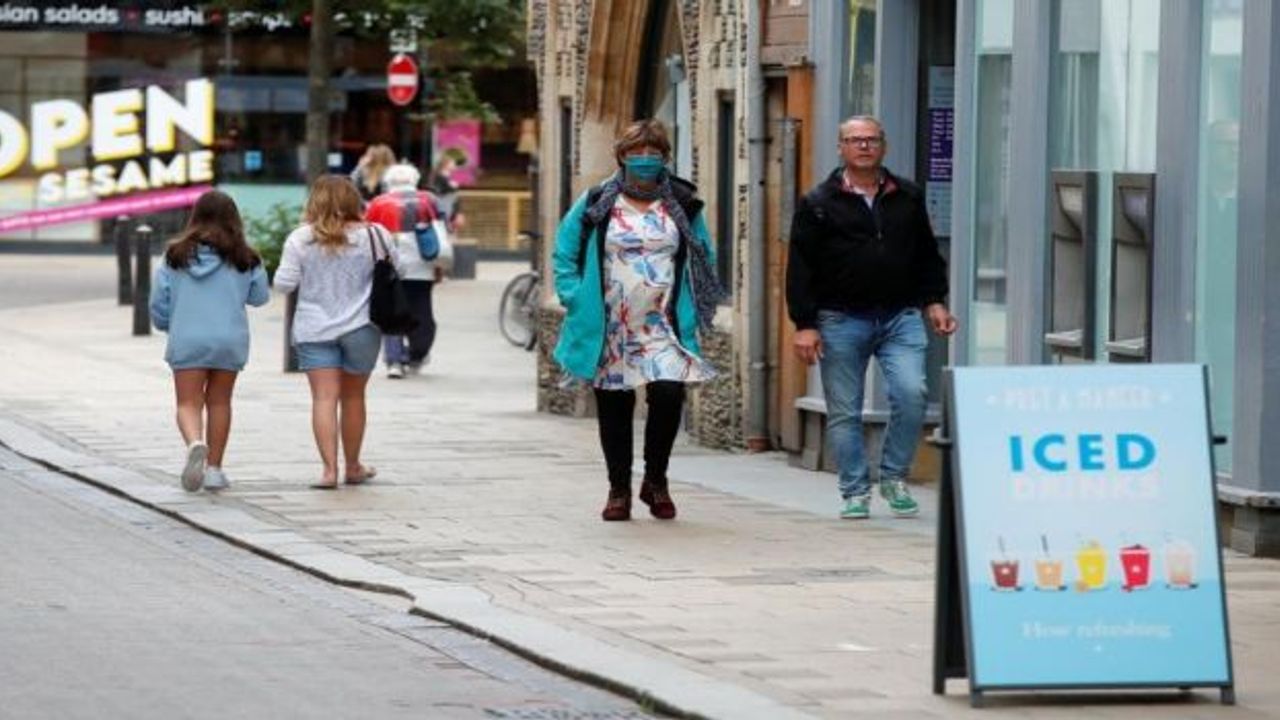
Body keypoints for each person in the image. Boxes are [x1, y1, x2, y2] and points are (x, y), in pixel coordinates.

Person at [786, 115, 957, 520]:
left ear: (884, 146)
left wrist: (934, 301)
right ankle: (855, 490)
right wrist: (805, 324)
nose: (864, 146)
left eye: (871, 140)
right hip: (841, 319)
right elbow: (800, 268)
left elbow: (926, 256)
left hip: (900, 315)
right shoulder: (818, 203)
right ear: (841, 147)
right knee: (845, 409)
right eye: (855, 140)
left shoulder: (908, 197)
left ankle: (894, 475)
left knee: (912, 395)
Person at [552, 119, 722, 522]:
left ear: (665, 157)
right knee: (615, 403)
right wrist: (573, 296)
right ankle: (618, 489)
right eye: (636, 153)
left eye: (653, 153)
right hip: (610, 320)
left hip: (664, 322)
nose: (645, 160)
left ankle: (656, 480)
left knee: (667, 394)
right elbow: (565, 250)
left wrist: (698, 302)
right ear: (622, 156)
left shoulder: (683, 201)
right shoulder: (598, 201)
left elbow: (703, 253)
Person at [274, 175, 405, 489]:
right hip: (363, 327)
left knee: (323, 398)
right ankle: (354, 466)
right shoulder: (376, 235)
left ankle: (329, 471)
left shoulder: (300, 239)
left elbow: (283, 284)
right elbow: (399, 270)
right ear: (353, 201)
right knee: (354, 396)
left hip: (314, 327)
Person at [149, 190, 270, 493]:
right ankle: (215, 470)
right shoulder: (246, 256)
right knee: (220, 402)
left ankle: (194, 443)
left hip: (188, 336)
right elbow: (259, 297)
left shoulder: (175, 255)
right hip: (229, 339)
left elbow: (158, 301)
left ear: (195, 216)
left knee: (188, 402)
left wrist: (167, 324)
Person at [365, 163, 443, 378]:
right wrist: (440, 266)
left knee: (392, 312)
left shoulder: (378, 203)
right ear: (414, 180)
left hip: (388, 267)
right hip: (422, 267)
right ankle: (417, 353)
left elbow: (368, 235)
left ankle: (394, 361)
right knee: (422, 311)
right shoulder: (429, 201)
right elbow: (442, 233)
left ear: (388, 182)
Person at [426, 154, 467, 232]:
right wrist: (452, 186)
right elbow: (441, 193)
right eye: (452, 163)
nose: (455, 165)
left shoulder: (444, 178)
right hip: (444, 209)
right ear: (446, 164)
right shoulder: (440, 178)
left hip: (448, 209)